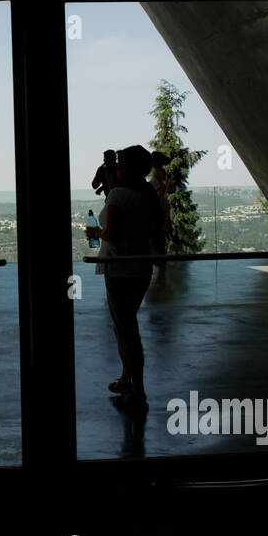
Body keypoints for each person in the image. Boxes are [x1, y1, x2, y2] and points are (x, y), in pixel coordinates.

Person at [86, 144, 165, 409]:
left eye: (119, 162)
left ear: (126, 167)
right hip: (141, 267)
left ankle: (137, 391)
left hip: (119, 269)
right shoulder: (147, 193)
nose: (115, 166)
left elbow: (113, 234)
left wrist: (96, 233)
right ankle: (127, 379)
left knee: (126, 331)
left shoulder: (118, 194)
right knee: (127, 327)